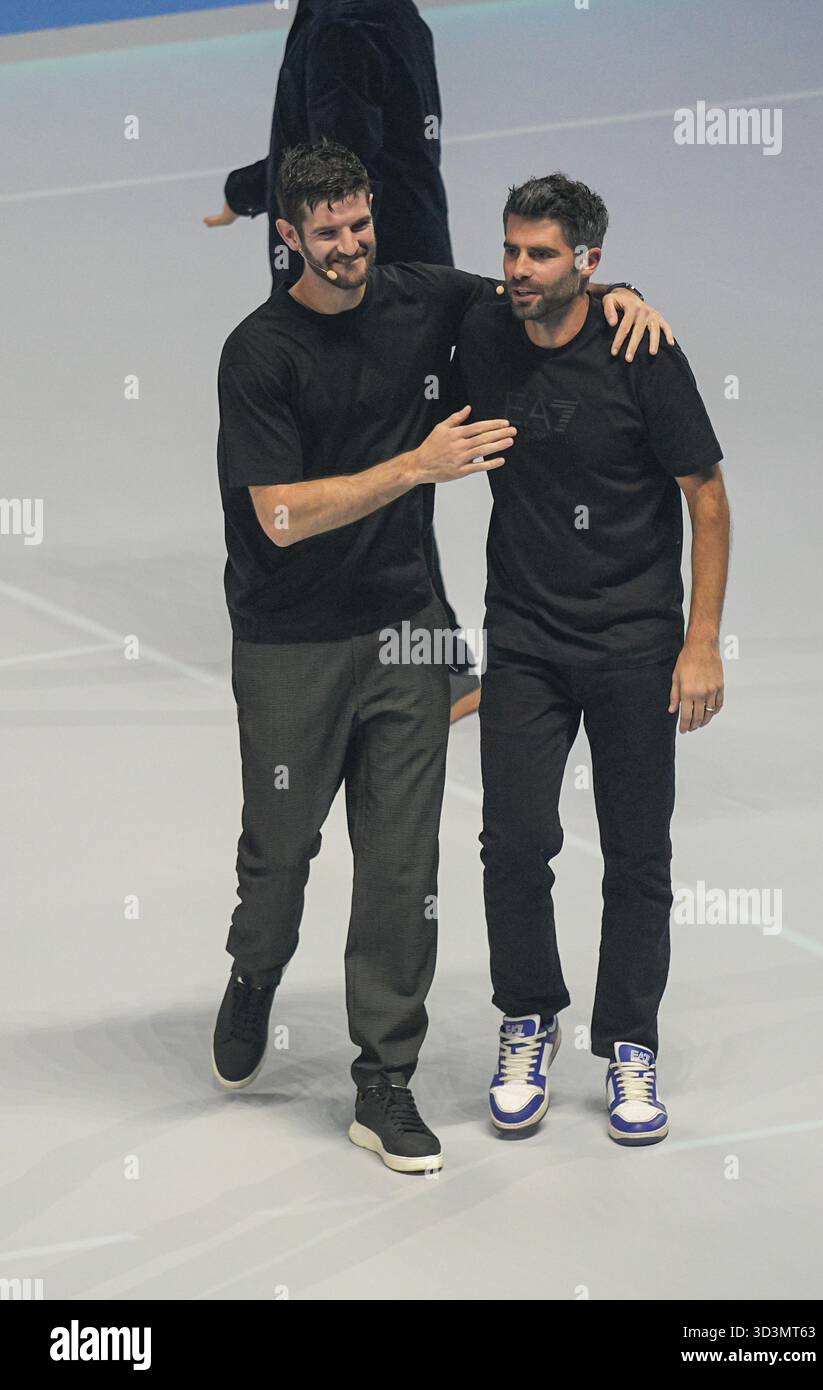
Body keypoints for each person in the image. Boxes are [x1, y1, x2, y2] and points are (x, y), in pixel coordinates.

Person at [211, 141, 667, 1172]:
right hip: (287, 640)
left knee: (402, 866)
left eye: (359, 223)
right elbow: (278, 517)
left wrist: (617, 290)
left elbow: (538, 298)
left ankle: (384, 1080)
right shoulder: (258, 353)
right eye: (325, 232)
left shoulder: (424, 300)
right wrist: (413, 466)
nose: (349, 245)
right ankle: (253, 972)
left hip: (407, 633)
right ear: (287, 239)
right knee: (279, 858)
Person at [451, 173, 730, 1146]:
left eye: (539, 254)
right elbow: (400, 293)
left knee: (636, 855)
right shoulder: (485, 328)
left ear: (587, 262)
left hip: (631, 643)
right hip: (524, 638)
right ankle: (526, 1016)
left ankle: (626, 1044)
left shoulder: (641, 348)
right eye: (510, 250)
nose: (517, 270)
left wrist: (699, 643)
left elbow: (704, 495)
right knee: (514, 844)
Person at [204, 0, 479, 718]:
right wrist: (247, 193)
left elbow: (335, 172)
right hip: (400, 277)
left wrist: (288, 217)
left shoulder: (338, 27)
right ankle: (437, 660)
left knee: (379, 466)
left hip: (363, 296)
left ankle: (433, 667)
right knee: (393, 463)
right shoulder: (391, 13)